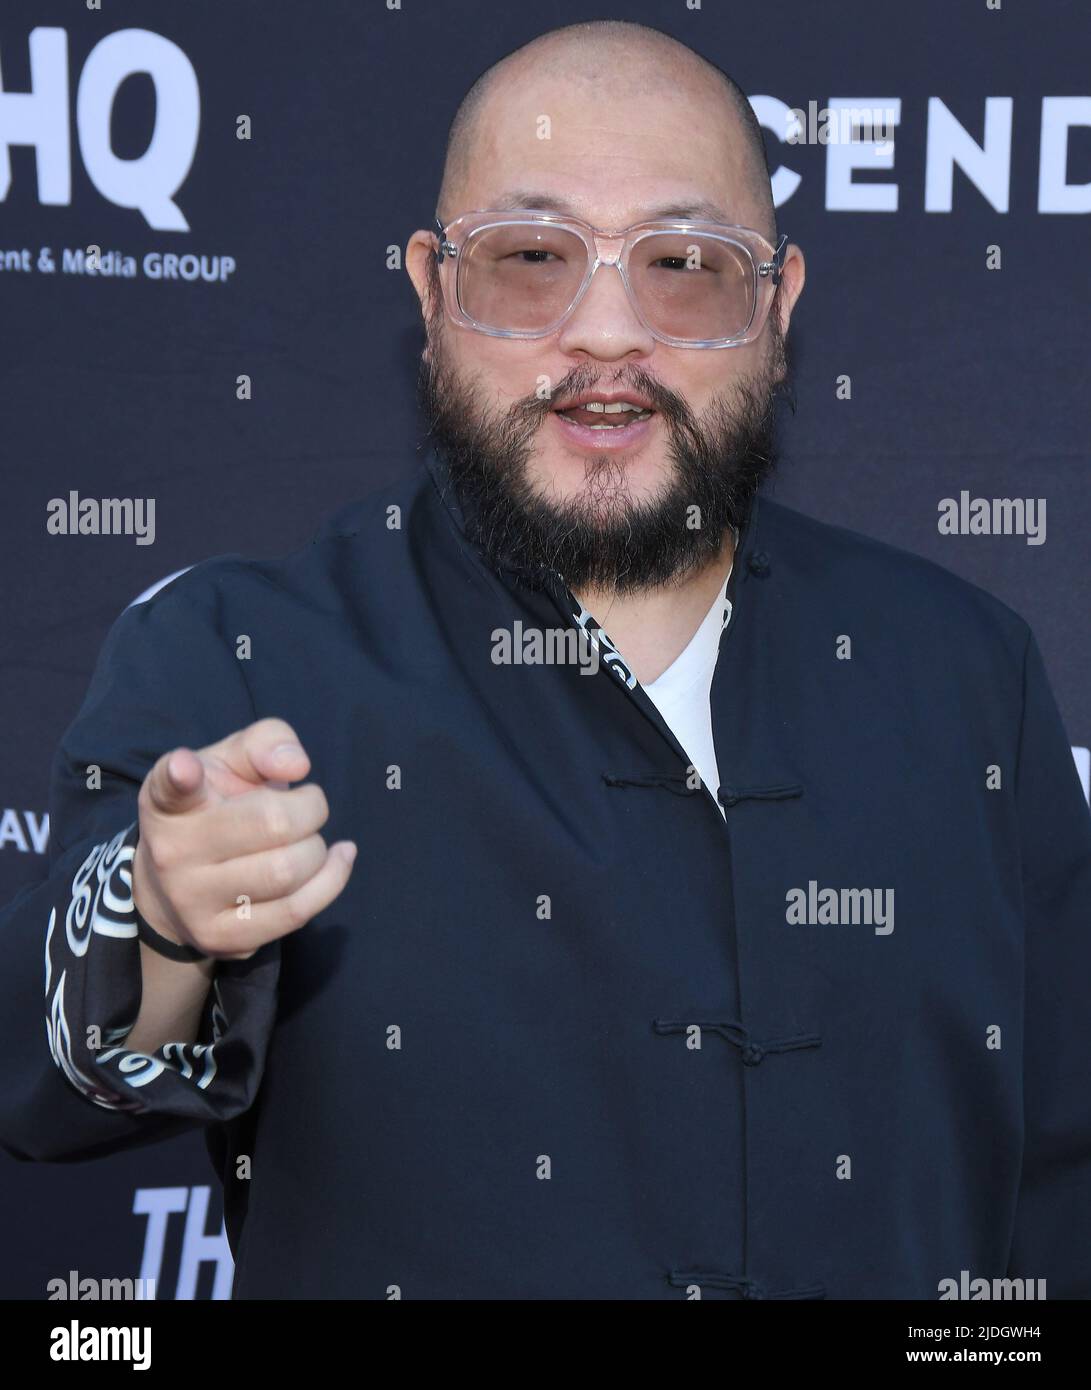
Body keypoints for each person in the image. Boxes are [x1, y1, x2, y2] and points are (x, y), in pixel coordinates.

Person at [2, 19, 1089, 1301]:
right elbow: (43, 1066)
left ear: (777, 305)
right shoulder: (244, 658)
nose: (606, 332)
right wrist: (166, 928)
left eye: (682, 263)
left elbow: (1053, 1196)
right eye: (531, 259)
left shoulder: (963, 671)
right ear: (430, 293)